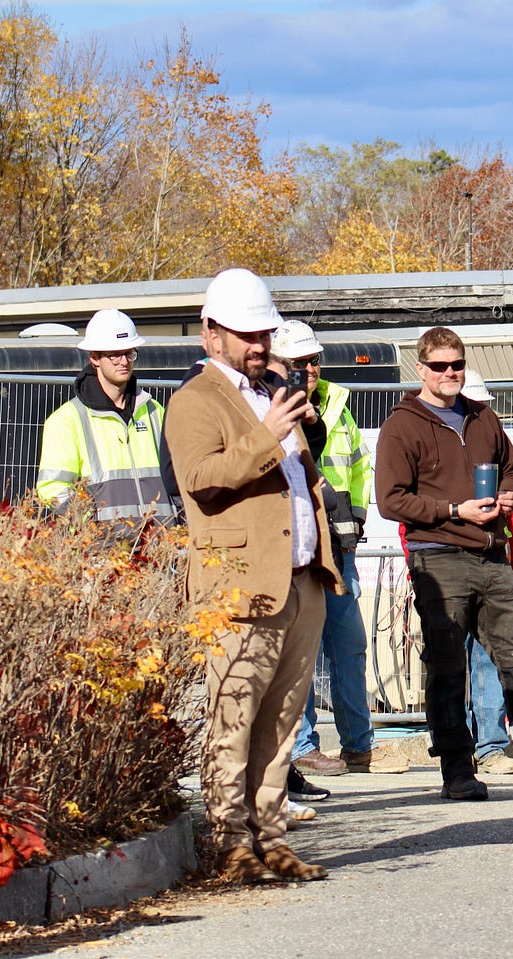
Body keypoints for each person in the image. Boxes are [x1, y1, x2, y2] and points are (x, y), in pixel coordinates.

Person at [166, 268, 341, 884]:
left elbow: (297, 480)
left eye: (264, 332)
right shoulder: (193, 400)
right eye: (245, 334)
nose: (259, 345)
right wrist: (267, 436)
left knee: (283, 720)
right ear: (211, 332)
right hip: (240, 582)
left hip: (301, 577)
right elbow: (201, 478)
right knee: (234, 715)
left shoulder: (275, 392)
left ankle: (271, 838)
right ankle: (230, 841)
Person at [375, 327, 513, 802]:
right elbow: (390, 500)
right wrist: (453, 511)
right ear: (421, 369)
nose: (450, 373)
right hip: (438, 558)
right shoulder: (402, 425)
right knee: (447, 669)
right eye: (440, 366)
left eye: (457, 364)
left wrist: (509, 491)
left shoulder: (483, 417)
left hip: (492, 556)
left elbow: (510, 466)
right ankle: (458, 772)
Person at [267, 321, 410, 780]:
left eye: (313, 360)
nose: (307, 369)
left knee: (348, 645)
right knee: (301, 649)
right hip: (298, 546)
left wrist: (357, 519)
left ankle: (358, 745)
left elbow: (358, 469)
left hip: (338, 543)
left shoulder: (338, 403)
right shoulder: (269, 406)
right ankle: (304, 746)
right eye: (297, 363)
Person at [37, 309, 172, 525]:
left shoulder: (154, 411)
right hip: (102, 552)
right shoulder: (67, 420)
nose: (124, 361)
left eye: (129, 353)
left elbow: (177, 478)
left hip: (159, 548)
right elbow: (52, 488)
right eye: (114, 355)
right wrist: (92, 527)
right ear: (94, 358)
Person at [459, 368, 513, 777]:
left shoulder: (494, 439)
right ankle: (458, 746)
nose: (483, 411)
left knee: (486, 657)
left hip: (490, 561)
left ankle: (490, 745)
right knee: (450, 658)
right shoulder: (433, 440)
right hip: (445, 563)